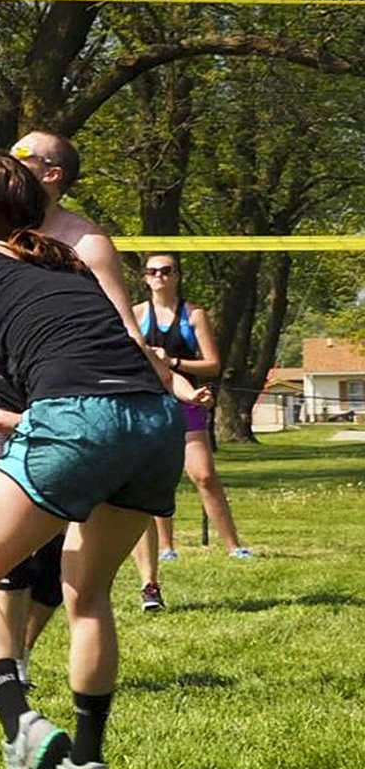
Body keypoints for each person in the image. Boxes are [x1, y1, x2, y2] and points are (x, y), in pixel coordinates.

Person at [0, 150, 185, 769]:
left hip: (79, 417)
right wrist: (35, 418)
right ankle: (88, 765)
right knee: (88, 592)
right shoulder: (61, 260)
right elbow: (95, 351)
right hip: (156, 423)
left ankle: (24, 727)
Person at [130, 252, 253, 610]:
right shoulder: (137, 314)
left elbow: (213, 364)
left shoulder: (193, 314)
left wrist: (174, 363)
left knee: (203, 474)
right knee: (156, 479)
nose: (159, 277)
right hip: (151, 401)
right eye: (153, 271)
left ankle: (233, 545)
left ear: (177, 275)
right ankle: (166, 549)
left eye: (166, 271)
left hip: (189, 400)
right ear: (145, 277)